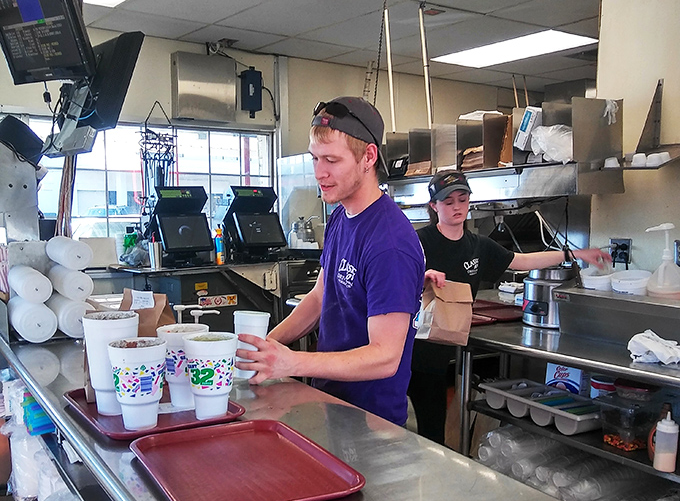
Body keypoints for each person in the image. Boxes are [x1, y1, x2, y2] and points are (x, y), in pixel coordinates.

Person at [236, 97, 425, 426]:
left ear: (368, 157)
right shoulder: (341, 217)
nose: (319, 173)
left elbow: (385, 357)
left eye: (332, 160)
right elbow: (320, 297)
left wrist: (293, 363)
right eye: (315, 159)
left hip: (371, 418)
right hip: (330, 401)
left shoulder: (390, 243)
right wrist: (267, 348)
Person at [409, 169, 611, 445]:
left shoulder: (478, 246)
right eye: (448, 202)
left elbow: (522, 261)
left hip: (440, 354)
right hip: (409, 349)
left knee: (432, 434)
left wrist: (574, 254)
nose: (457, 207)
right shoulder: (419, 242)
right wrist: (422, 277)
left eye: (462, 199)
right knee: (398, 425)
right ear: (434, 206)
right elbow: (391, 279)